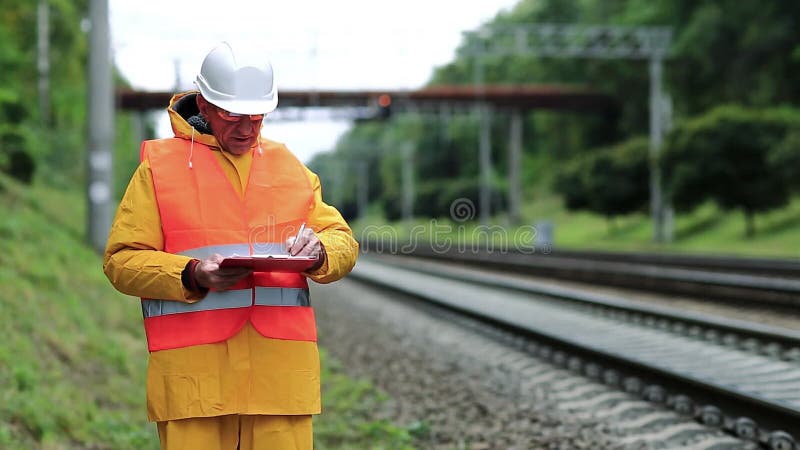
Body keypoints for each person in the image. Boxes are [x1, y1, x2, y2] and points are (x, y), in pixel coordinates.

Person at [103, 42, 359, 450]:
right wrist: (192, 273)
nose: (247, 128)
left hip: (280, 382)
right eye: (232, 115)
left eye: (257, 117)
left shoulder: (289, 167)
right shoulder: (160, 169)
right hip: (195, 386)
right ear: (204, 105)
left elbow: (343, 241)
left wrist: (321, 251)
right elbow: (121, 261)